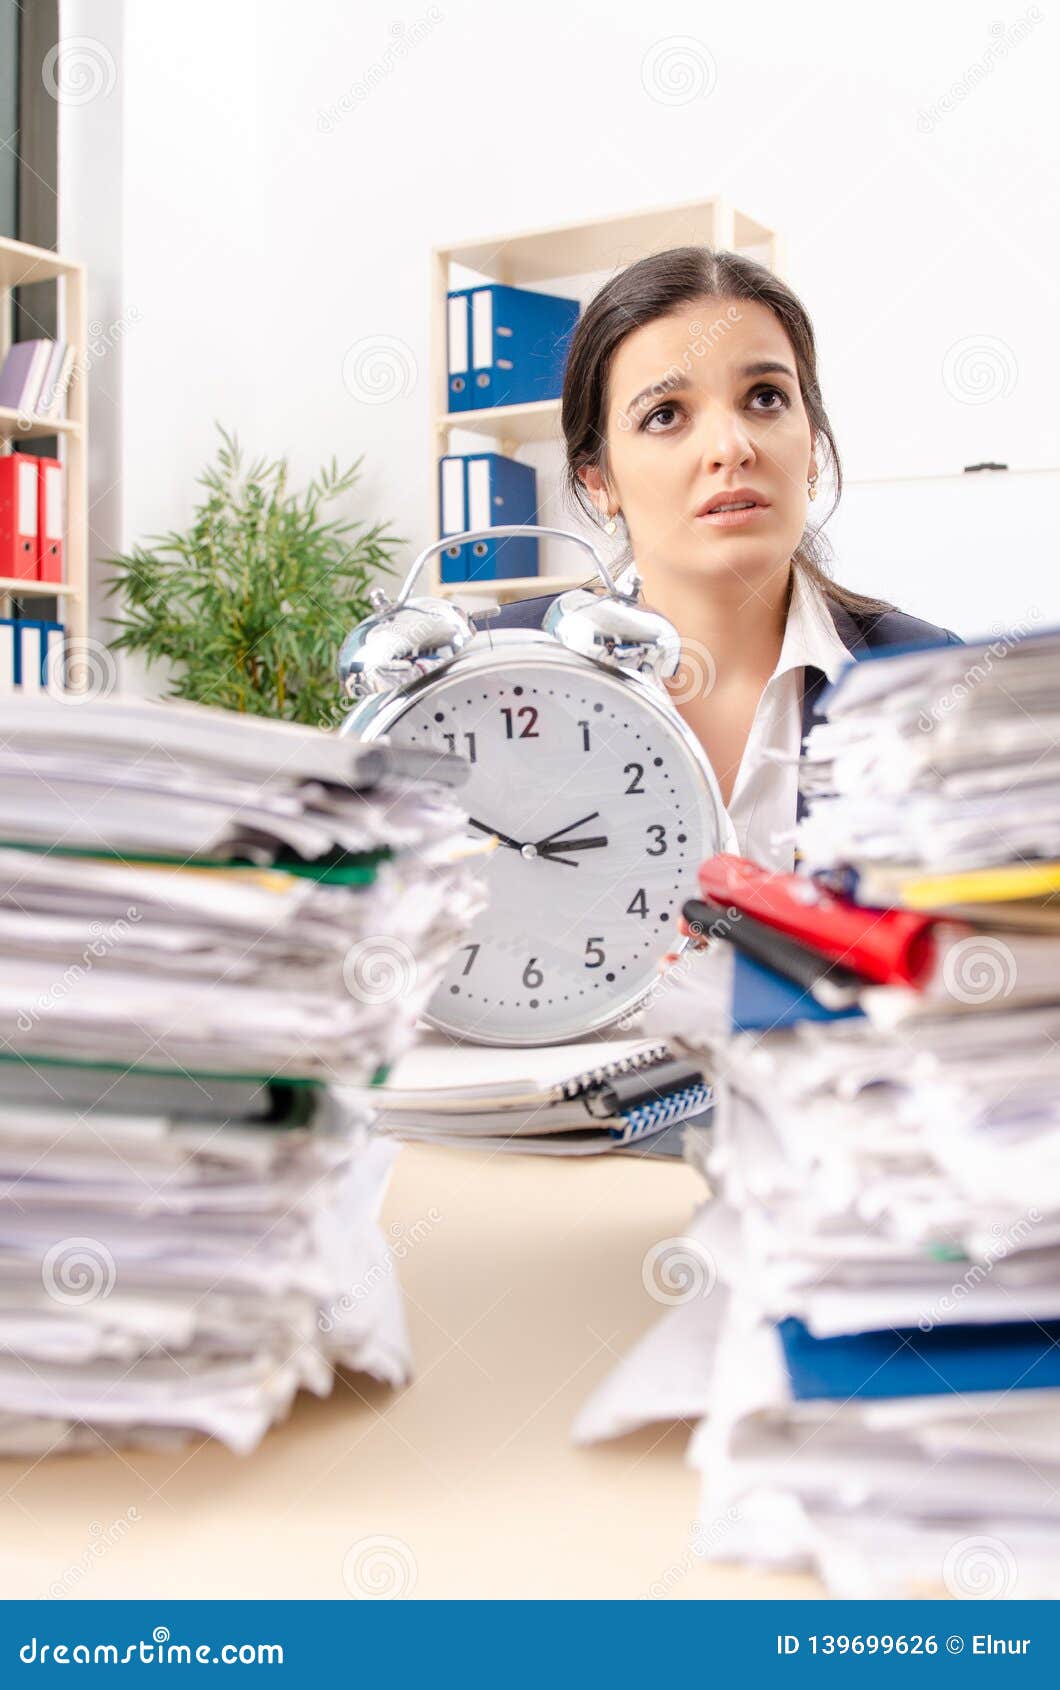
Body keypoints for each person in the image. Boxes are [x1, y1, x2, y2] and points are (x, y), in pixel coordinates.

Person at [481, 246, 962, 876]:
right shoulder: (489, 677)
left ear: (813, 448)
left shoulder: (933, 678)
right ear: (600, 481)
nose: (731, 447)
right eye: (665, 415)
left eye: (765, 398)